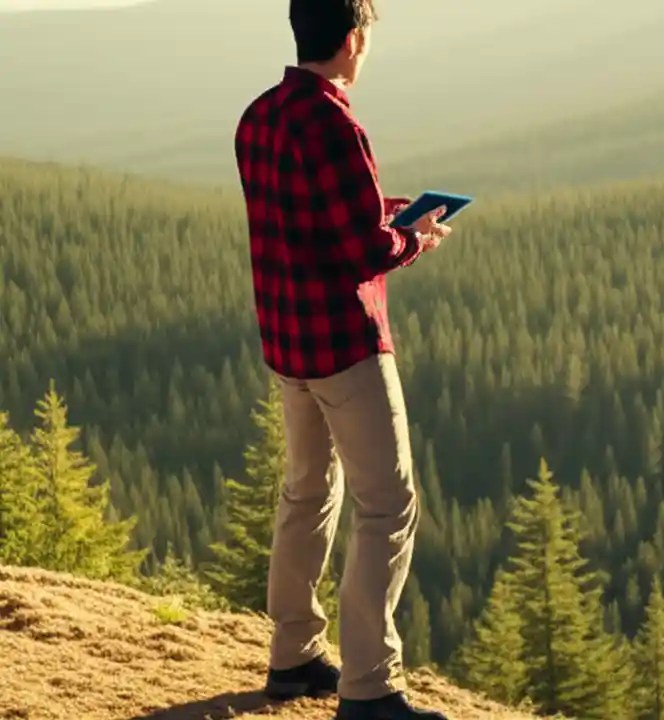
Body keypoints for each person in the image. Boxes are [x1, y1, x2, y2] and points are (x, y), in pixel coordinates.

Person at [233, 1, 450, 719]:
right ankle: (370, 687)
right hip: (345, 346)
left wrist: (391, 210)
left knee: (306, 492)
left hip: (288, 346)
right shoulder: (336, 122)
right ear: (352, 39)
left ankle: (293, 655)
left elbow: (311, 215)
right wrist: (415, 238)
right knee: (386, 505)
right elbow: (362, 250)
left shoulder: (260, 116)